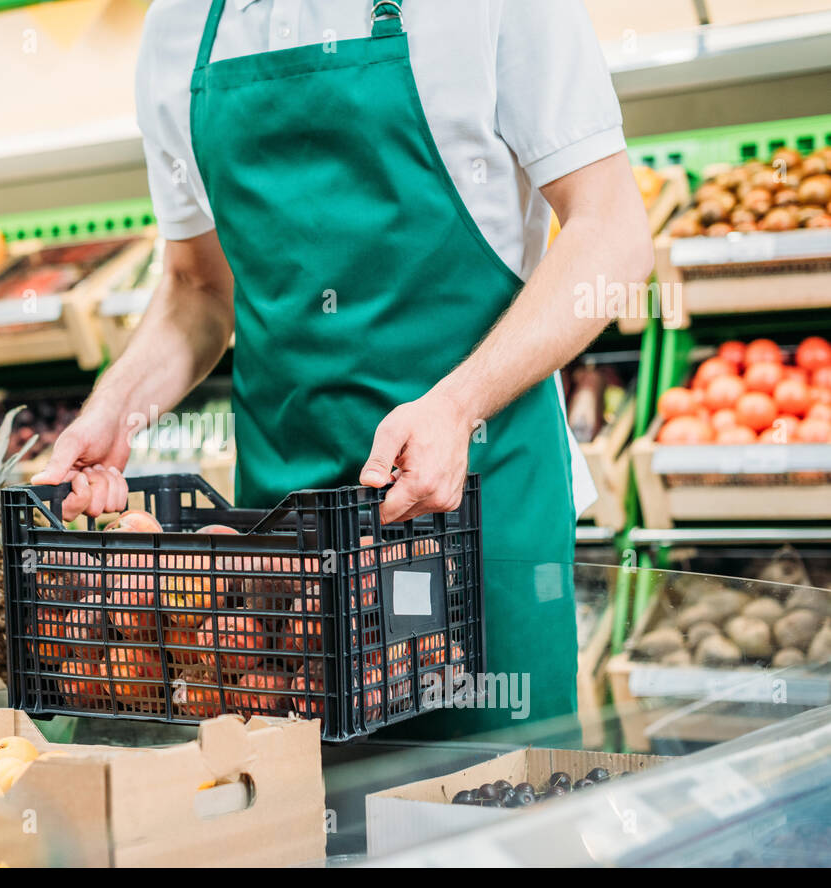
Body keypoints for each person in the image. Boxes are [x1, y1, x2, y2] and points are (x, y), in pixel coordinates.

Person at [34, 0, 653, 737]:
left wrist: (457, 407)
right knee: (306, 830)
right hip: (277, 561)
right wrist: (118, 407)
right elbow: (199, 287)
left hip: (475, 524)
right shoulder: (178, 27)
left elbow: (612, 233)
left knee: (490, 824)